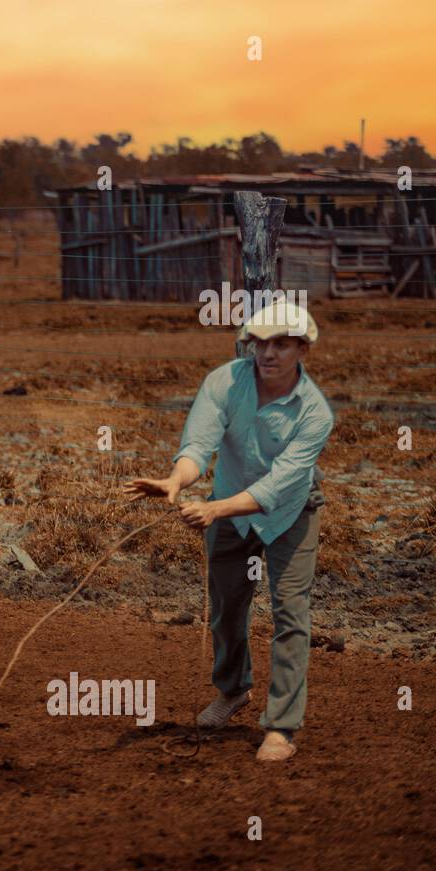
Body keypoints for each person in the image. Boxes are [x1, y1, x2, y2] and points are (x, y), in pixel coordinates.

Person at [123, 300, 334, 761]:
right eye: (259, 343)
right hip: (228, 511)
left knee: (290, 614)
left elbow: (279, 487)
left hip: (290, 514)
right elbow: (199, 441)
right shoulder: (224, 381)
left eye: (280, 343)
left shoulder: (315, 413)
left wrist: (214, 509)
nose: (267, 353)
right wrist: (176, 480)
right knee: (226, 607)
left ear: (302, 349)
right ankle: (233, 690)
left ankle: (280, 727)